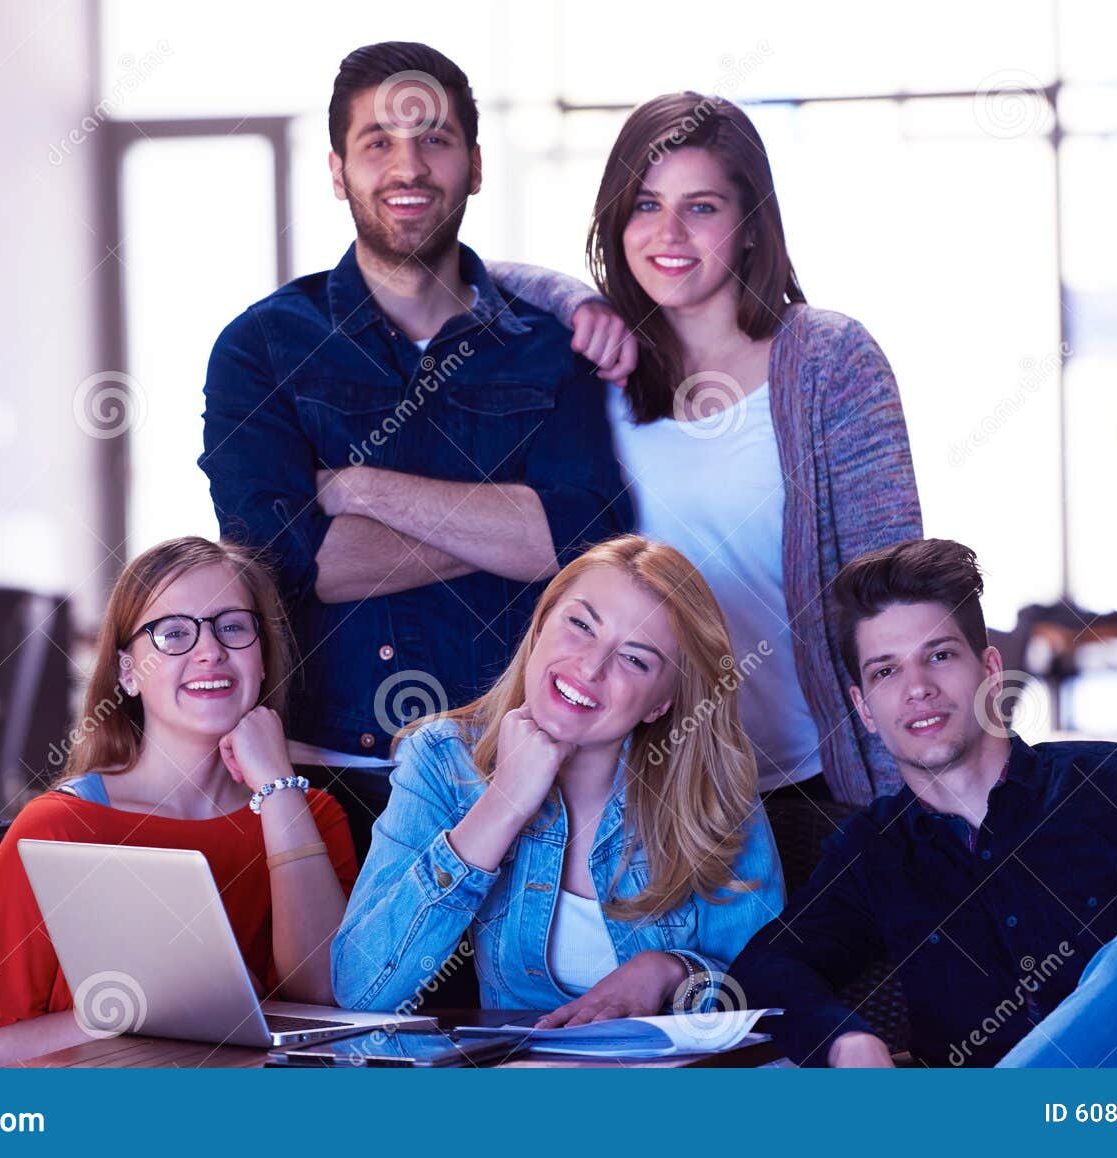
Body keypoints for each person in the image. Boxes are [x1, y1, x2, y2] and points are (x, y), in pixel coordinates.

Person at [198, 42, 632, 861]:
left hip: (518, 770)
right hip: (319, 776)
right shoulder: (260, 349)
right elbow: (286, 563)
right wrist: (507, 529)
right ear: (337, 170)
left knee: (515, 996)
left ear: (473, 164)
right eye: (378, 143)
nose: (409, 166)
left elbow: (580, 543)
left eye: (434, 139)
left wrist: (360, 487)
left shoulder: (550, 348)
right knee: (322, 994)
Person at [728, 537, 1117, 1067]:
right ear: (864, 707)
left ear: (991, 669)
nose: (916, 688)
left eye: (940, 655)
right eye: (886, 671)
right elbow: (769, 966)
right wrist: (846, 1042)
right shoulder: (873, 854)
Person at [492, 92, 921, 809]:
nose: (669, 234)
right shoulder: (593, 361)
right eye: (645, 205)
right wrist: (576, 300)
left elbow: (895, 592)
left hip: (804, 785)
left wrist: (908, 786)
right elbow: (477, 275)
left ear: (751, 225)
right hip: (628, 794)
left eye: (702, 208)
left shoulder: (828, 361)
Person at [0, 538, 357, 1066]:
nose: (210, 650)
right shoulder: (59, 828)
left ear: (262, 657)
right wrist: (133, 1009)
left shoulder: (309, 814)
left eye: (232, 627)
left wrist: (275, 784)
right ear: (128, 672)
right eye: (174, 632)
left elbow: (325, 997)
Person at [332, 534, 783, 1022]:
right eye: (580, 625)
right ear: (541, 623)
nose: (590, 666)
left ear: (662, 702)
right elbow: (361, 988)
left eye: (635, 659)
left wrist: (669, 971)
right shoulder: (442, 759)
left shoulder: (710, 794)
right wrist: (502, 804)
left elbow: (771, 997)